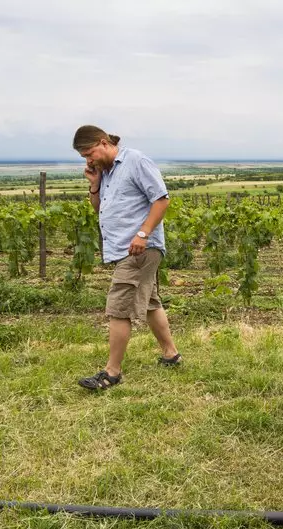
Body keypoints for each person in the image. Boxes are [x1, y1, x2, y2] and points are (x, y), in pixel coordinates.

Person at [72, 125, 182, 390]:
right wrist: (95, 186)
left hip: (138, 248)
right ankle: (171, 355)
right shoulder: (106, 173)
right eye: (84, 157)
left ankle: (112, 373)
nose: (88, 160)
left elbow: (162, 199)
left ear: (103, 142)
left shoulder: (135, 160)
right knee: (150, 303)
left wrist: (142, 234)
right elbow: (100, 209)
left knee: (118, 308)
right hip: (125, 248)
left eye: (89, 153)